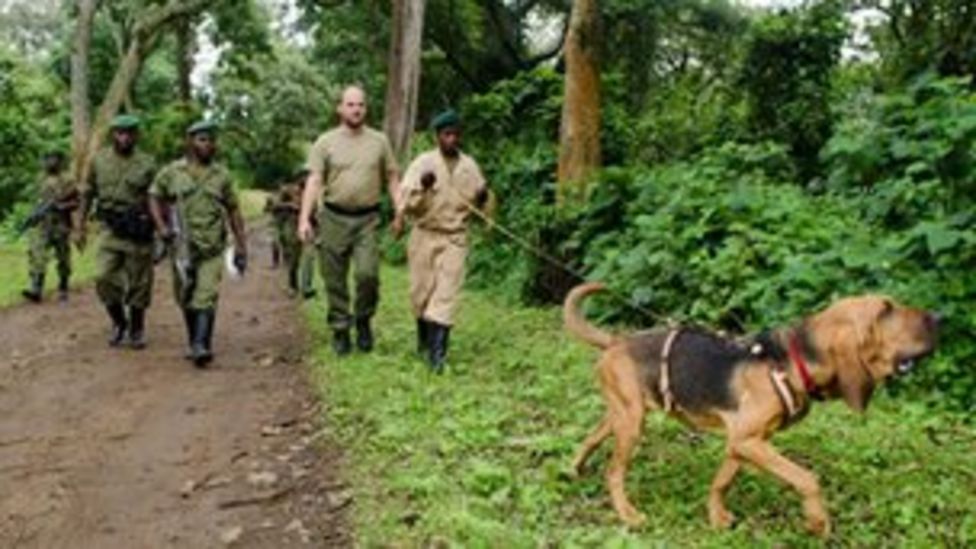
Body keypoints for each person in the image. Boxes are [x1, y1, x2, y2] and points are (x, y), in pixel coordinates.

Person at [298, 85, 400, 355]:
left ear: (366, 108)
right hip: (333, 216)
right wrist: (304, 219)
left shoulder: (379, 141)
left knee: (368, 274)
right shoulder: (325, 142)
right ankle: (341, 329)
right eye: (351, 104)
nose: (357, 109)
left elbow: (391, 176)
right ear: (340, 108)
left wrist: (401, 209)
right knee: (334, 279)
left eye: (361, 105)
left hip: (367, 219)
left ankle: (363, 319)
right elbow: (314, 180)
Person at [395, 110, 492, 372]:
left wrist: (483, 200)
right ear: (437, 136)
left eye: (456, 134)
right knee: (421, 292)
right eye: (447, 134)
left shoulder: (469, 166)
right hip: (424, 234)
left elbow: (481, 205)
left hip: (454, 237)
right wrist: (423, 188)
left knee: (446, 293)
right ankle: (423, 341)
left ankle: (438, 356)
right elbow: (407, 204)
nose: (452, 139)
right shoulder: (422, 163)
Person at [149, 120, 247, 367]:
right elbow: (154, 195)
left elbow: (233, 209)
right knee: (184, 296)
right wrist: (162, 227)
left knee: (205, 295)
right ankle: (195, 339)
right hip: (181, 248)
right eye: (202, 139)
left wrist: (241, 245)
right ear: (190, 142)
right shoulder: (172, 172)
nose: (208, 145)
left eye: (211, 140)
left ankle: (201, 345)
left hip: (211, 247)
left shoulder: (221, 175)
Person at [77, 114, 157, 349]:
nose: (124, 137)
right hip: (109, 228)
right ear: (113, 135)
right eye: (120, 133)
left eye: (129, 133)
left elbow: (158, 198)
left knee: (139, 282)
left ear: (136, 135)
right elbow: (87, 192)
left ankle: (137, 328)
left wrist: (162, 229)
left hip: (138, 229)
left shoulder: (147, 163)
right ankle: (119, 322)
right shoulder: (99, 161)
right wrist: (79, 225)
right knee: (103, 276)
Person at [22, 151, 80, 303]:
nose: (50, 162)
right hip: (42, 225)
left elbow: (77, 202)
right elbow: (38, 201)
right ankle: (36, 288)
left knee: (63, 259)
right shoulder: (40, 179)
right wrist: (34, 215)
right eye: (47, 159)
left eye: (54, 159)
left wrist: (61, 206)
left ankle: (63, 288)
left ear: (60, 162)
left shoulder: (68, 179)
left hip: (60, 225)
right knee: (37, 255)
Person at [272, 171, 317, 298]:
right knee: (293, 260)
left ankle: (306, 287)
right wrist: (291, 206)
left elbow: (317, 213)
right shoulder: (288, 191)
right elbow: (275, 206)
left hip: (309, 228)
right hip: (292, 226)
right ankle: (292, 285)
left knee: (309, 257)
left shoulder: (313, 193)